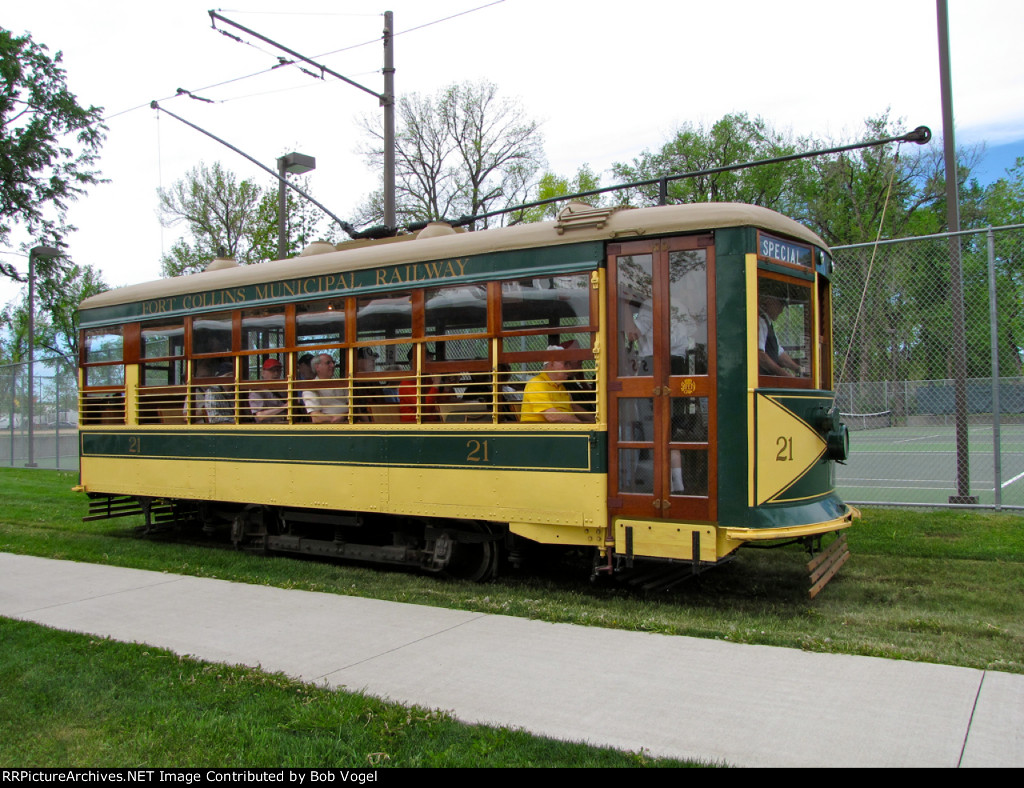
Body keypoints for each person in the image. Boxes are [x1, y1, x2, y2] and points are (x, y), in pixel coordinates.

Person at [520, 345, 594, 424]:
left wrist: (595, 421)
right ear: (551, 364)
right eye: (565, 364)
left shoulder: (560, 386)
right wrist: (581, 425)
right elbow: (552, 416)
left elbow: (573, 408)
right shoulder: (537, 384)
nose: (569, 368)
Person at [758, 295, 803, 377]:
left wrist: (798, 369)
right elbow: (760, 356)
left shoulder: (768, 322)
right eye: (780, 305)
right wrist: (785, 375)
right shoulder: (759, 321)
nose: (781, 310)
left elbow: (779, 353)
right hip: (761, 381)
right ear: (769, 301)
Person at [302, 353, 349, 424]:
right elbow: (316, 417)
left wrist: (345, 415)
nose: (333, 365)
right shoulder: (310, 387)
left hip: (349, 422)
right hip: (330, 428)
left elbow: (351, 405)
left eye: (333, 362)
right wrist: (337, 419)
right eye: (328, 363)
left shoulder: (340, 383)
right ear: (317, 367)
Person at [248, 358, 287, 423]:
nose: (276, 373)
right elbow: (260, 416)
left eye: (278, 370)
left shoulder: (283, 389)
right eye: (272, 370)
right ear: (263, 373)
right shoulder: (257, 392)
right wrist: (284, 407)